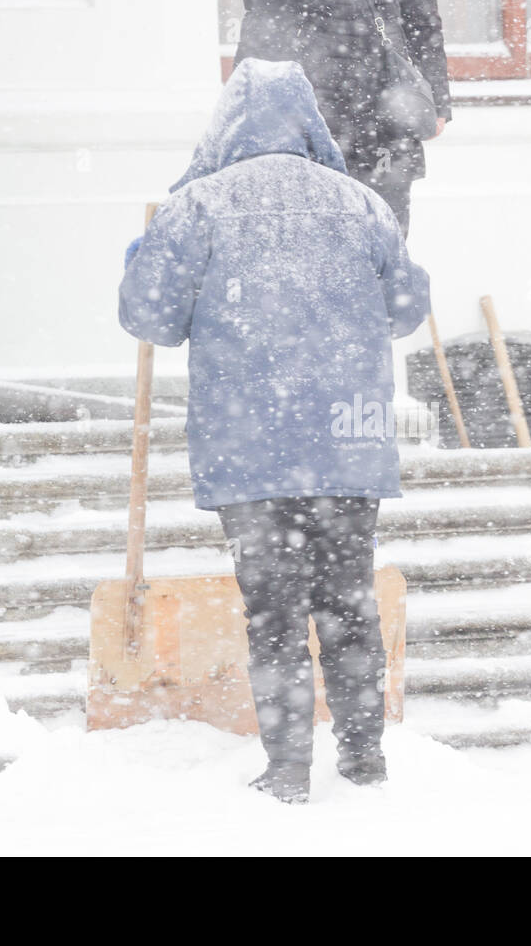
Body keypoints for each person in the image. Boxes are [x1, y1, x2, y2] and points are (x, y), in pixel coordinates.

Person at [118, 59, 432, 804]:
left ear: (226, 125)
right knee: (350, 604)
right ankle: (364, 761)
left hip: (250, 448)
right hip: (345, 442)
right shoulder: (362, 206)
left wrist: (141, 261)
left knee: (274, 612)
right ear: (309, 121)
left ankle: (288, 769)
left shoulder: (198, 207)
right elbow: (405, 312)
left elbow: (150, 319)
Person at [234, 0, 451, 237]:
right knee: (313, 230)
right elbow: (263, 17)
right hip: (311, 103)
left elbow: (423, 24)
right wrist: (249, 99)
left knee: (384, 227)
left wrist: (437, 102)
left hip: (385, 102)